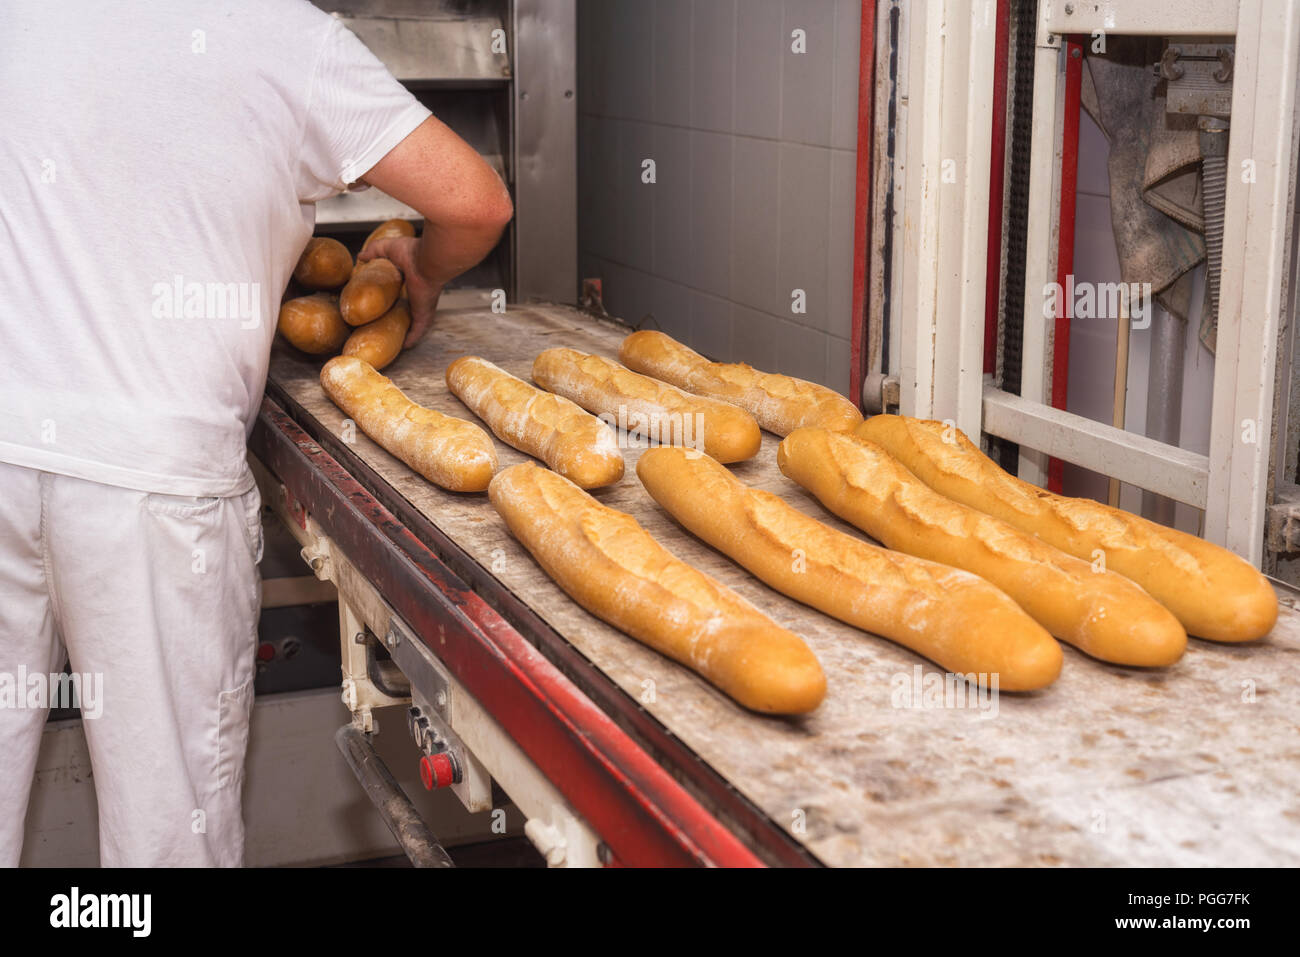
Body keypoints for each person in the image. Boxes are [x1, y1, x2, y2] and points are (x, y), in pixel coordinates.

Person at [0, 0, 512, 867]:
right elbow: (477, 201)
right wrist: (421, 267)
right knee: (166, 836)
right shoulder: (284, 35)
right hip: (154, 485)